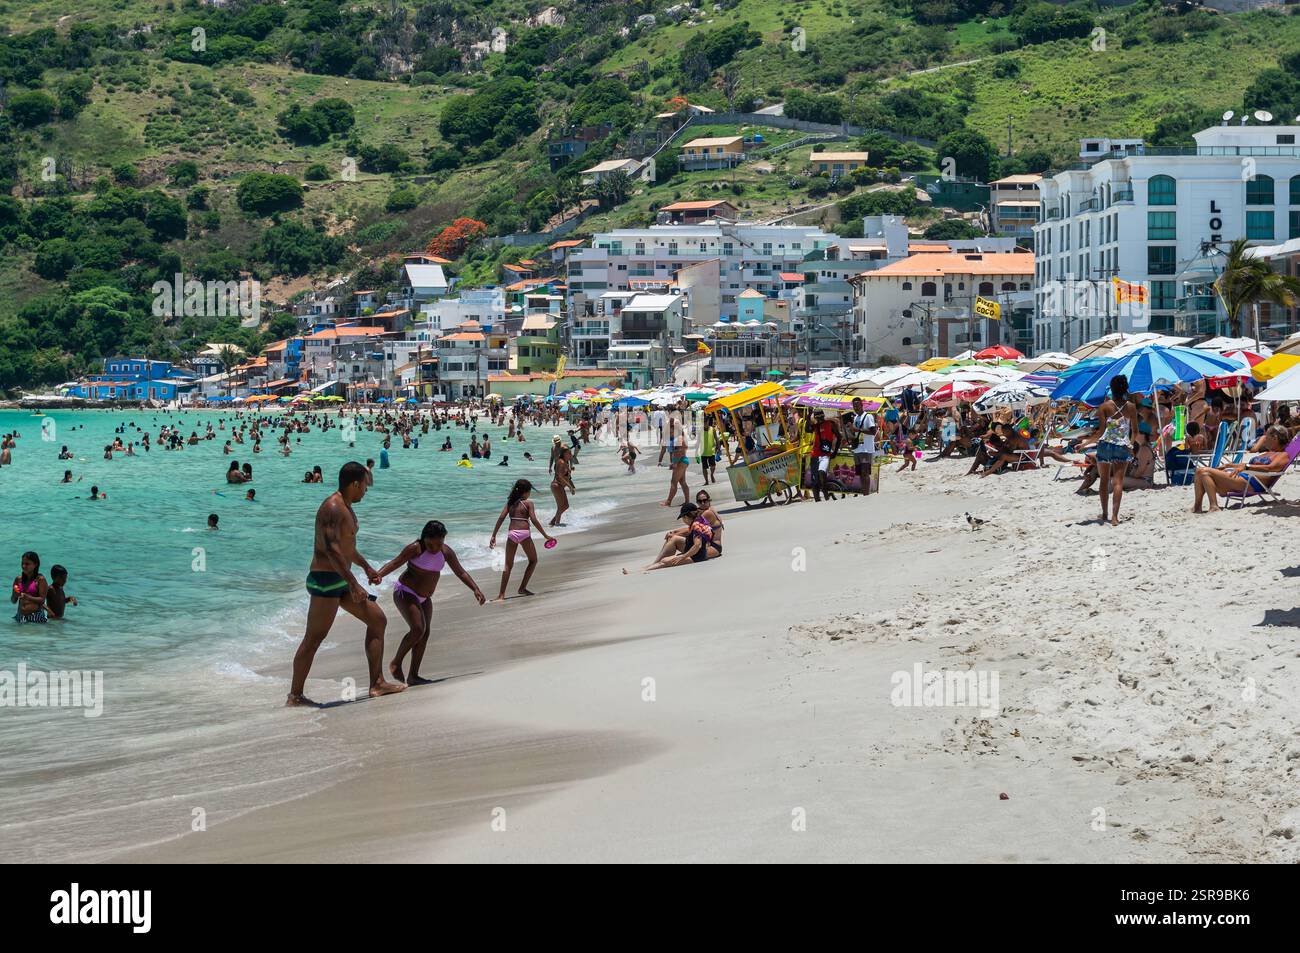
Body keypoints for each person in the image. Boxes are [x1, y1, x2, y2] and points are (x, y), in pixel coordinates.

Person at [286, 462, 405, 706]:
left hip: (341, 579)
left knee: (377, 620)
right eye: (364, 486)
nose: (366, 491)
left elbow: (346, 547)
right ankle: (295, 696)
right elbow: (331, 550)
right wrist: (354, 583)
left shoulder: (347, 508)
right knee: (314, 639)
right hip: (326, 582)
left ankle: (377, 684)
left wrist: (366, 567)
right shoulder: (332, 508)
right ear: (354, 484)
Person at [375, 520, 485, 685]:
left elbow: (460, 571)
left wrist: (475, 589)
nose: (434, 548)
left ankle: (413, 676)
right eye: (431, 544)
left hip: (425, 597)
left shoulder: (446, 552)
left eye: (439, 543)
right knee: (418, 628)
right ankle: (396, 662)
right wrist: (378, 575)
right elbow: (395, 563)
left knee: (425, 633)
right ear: (423, 538)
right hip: (405, 591)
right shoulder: (416, 548)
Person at [1192, 424, 1292, 513]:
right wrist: (1229, 465)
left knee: (1203, 471)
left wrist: (1246, 467)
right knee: (1200, 472)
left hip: (1252, 483)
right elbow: (1248, 465)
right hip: (1243, 478)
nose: (1264, 439)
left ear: (1275, 438)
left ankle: (1213, 506)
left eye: (1267, 437)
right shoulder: (1269, 453)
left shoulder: (1283, 455)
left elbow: (1270, 468)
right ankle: (1198, 506)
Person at [1086, 374, 1140, 525]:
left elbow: (1101, 432)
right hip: (1122, 446)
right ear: (1125, 389)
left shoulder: (1104, 407)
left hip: (1105, 445)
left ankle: (1104, 514)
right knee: (1118, 482)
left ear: (1112, 388)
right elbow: (1135, 431)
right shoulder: (1131, 407)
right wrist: (1130, 444)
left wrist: (1085, 444)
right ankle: (1115, 517)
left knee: (1103, 480)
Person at [490, 479, 554, 601]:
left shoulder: (510, 503)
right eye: (529, 492)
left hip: (512, 534)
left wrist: (494, 535)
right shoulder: (528, 503)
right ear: (525, 492)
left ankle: (501, 595)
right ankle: (522, 588)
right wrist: (545, 535)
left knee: (508, 565)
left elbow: (501, 518)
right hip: (524, 534)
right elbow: (534, 520)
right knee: (533, 561)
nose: (529, 494)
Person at [641, 503, 719, 571]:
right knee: (664, 561)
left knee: (664, 561)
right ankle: (646, 568)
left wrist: (683, 556)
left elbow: (697, 545)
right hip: (698, 555)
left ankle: (642, 571)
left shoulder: (695, 525)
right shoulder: (699, 522)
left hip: (696, 558)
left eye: (683, 518)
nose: (683, 520)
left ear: (686, 517)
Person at [809, 411, 840, 502]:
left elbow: (839, 436)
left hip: (825, 455)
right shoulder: (814, 426)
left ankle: (826, 495)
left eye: (820, 417)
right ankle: (817, 500)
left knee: (821, 473)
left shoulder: (830, 424)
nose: (819, 419)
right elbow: (807, 428)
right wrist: (808, 413)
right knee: (815, 480)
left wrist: (835, 451)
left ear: (823, 416)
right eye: (817, 418)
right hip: (815, 455)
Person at [849, 398, 877, 495]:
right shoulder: (856, 417)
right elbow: (855, 433)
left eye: (857, 405)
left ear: (862, 405)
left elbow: (873, 432)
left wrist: (858, 430)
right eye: (854, 406)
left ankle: (866, 494)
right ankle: (864, 493)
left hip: (866, 449)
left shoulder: (868, 416)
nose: (855, 408)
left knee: (865, 472)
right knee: (860, 473)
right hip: (857, 449)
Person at [12, 551, 48, 624]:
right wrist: (14, 595)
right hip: (20, 616)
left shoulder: (40, 580)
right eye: (22, 563)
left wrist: (28, 597)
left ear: (35, 564)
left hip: (36, 617)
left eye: (27, 564)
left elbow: (42, 600)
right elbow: (13, 601)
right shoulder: (18, 579)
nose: (24, 566)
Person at [550, 447, 576, 525]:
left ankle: (554, 522)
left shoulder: (565, 462)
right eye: (569, 453)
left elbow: (568, 477)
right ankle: (556, 523)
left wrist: (572, 486)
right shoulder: (561, 462)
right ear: (564, 454)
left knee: (565, 506)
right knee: (562, 506)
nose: (571, 454)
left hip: (559, 486)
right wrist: (570, 487)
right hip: (557, 485)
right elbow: (560, 476)